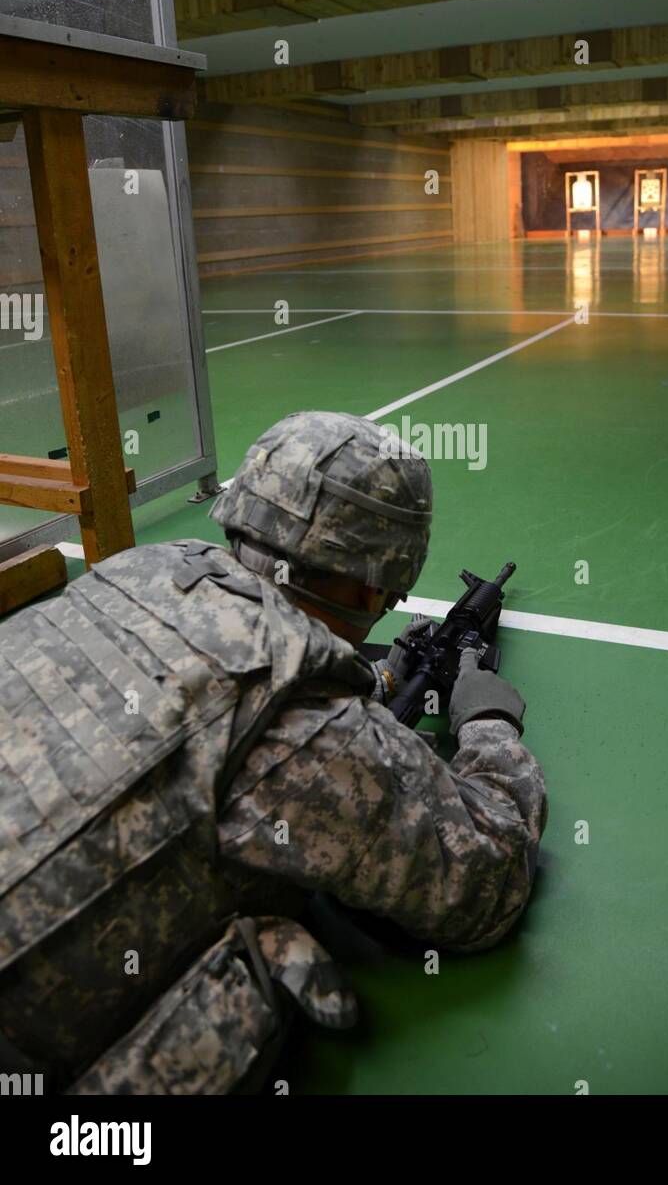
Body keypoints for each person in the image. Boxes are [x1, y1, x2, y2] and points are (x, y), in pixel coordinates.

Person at [0, 411, 547, 1094]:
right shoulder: (306, 723)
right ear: (378, 585)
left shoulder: (142, 568)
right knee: (268, 973)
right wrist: (487, 722)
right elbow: (482, 884)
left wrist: (373, 684)